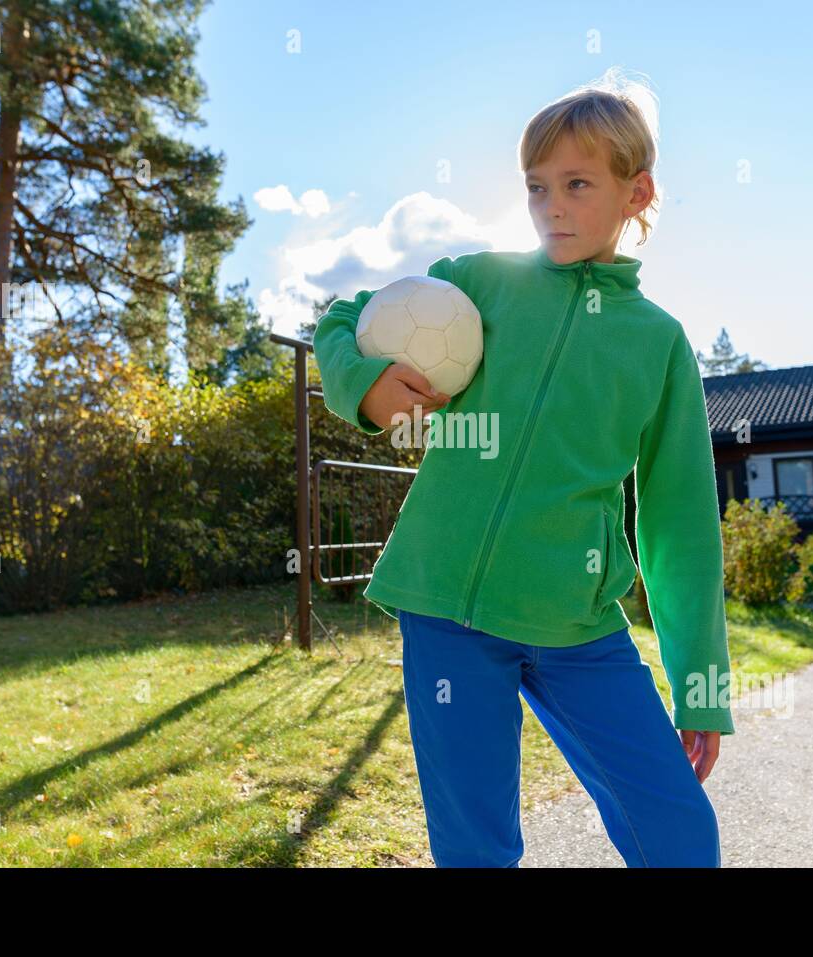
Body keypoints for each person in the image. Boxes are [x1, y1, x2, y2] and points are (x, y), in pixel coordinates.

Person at [313, 67, 734, 867]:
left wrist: (701, 683)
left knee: (680, 833)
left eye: (577, 184)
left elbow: (678, 524)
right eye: (537, 187)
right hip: (446, 609)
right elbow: (342, 317)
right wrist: (363, 385)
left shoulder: (659, 342)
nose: (551, 206)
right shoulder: (478, 282)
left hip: (577, 627)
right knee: (476, 849)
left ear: (636, 194)